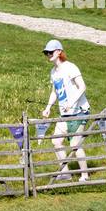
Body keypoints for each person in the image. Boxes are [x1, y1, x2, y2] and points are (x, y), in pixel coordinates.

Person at [40, 39, 90, 183]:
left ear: (59, 52)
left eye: (51, 52)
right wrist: (48, 107)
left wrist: (72, 102)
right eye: (46, 52)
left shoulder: (70, 67)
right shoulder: (53, 72)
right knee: (56, 141)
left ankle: (85, 175)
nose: (48, 54)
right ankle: (65, 173)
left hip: (79, 111)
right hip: (65, 113)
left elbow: (82, 87)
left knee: (75, 144)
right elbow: (55, 92)